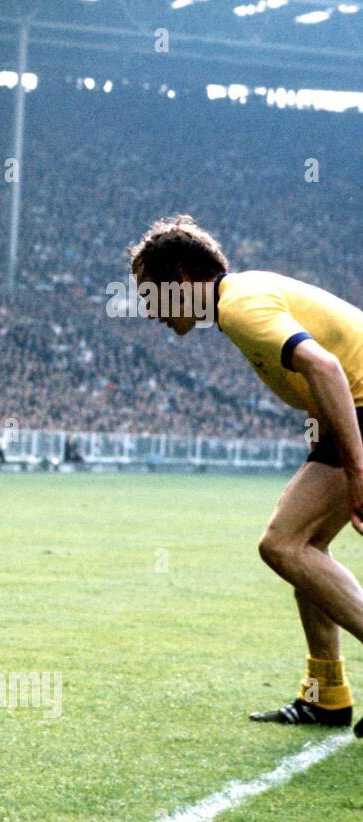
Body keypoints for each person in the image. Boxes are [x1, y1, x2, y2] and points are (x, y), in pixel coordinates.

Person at [129, 214, 363, 733]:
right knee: (304, 547)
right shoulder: (241, 297)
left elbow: (325, 368)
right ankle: (327, 694)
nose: (150, 312)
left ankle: (328, 693)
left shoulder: (238, 306)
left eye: (151, 295)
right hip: (352, 414)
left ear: (183, 281)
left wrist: (357, 468)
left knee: (283, 544)